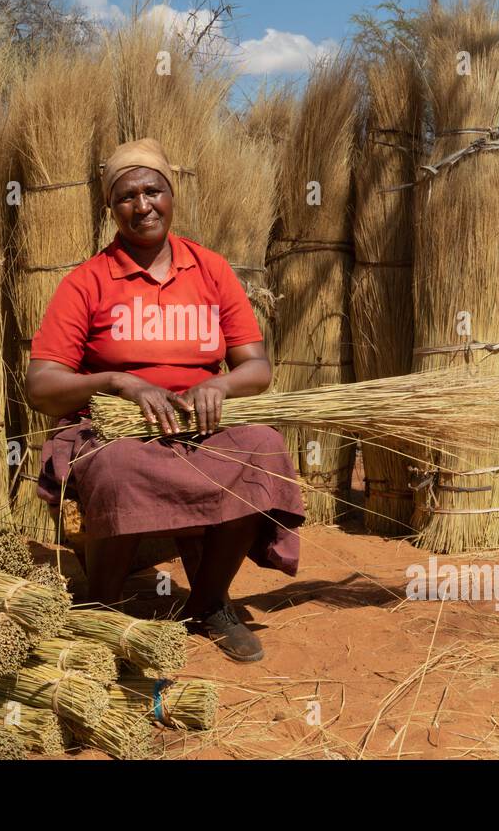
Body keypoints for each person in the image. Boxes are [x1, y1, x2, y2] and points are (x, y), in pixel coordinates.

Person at [26, 137, 305, 663]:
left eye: (152, 190)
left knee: (262, 448)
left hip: (202, 423)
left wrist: (219, 385)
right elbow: (41, 385)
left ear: (171, 196)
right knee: (118, 466)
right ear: (111, 209)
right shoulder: (87, 282)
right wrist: (116, 383)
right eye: (126, 196)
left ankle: (208, 604)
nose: (142, 205)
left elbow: (257, 368)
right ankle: (103, 608)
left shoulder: (210, 270)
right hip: (112, 427)